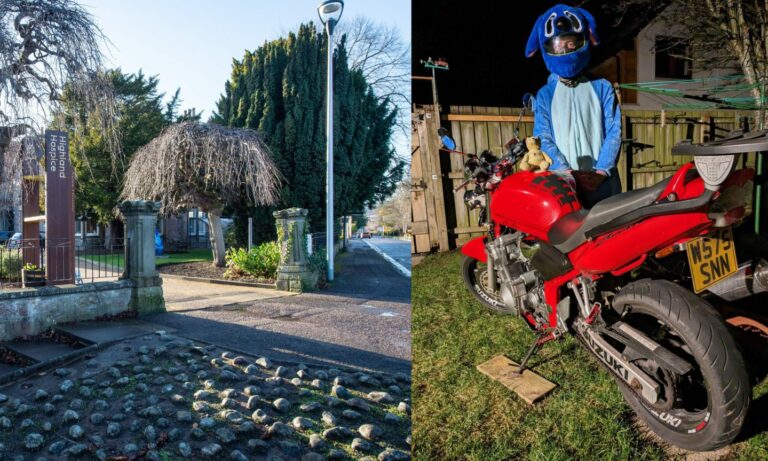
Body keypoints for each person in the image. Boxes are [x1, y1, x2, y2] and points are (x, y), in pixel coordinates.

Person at [525, 4, 622, 207]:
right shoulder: (545, 95)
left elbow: (614, 131)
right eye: (559, 44)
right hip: (565, 185)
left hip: (604, 184)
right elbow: (543, 136)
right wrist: (568, 173)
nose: (566, 48)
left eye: (571, 43)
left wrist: (601, 172)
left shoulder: (602, 87)